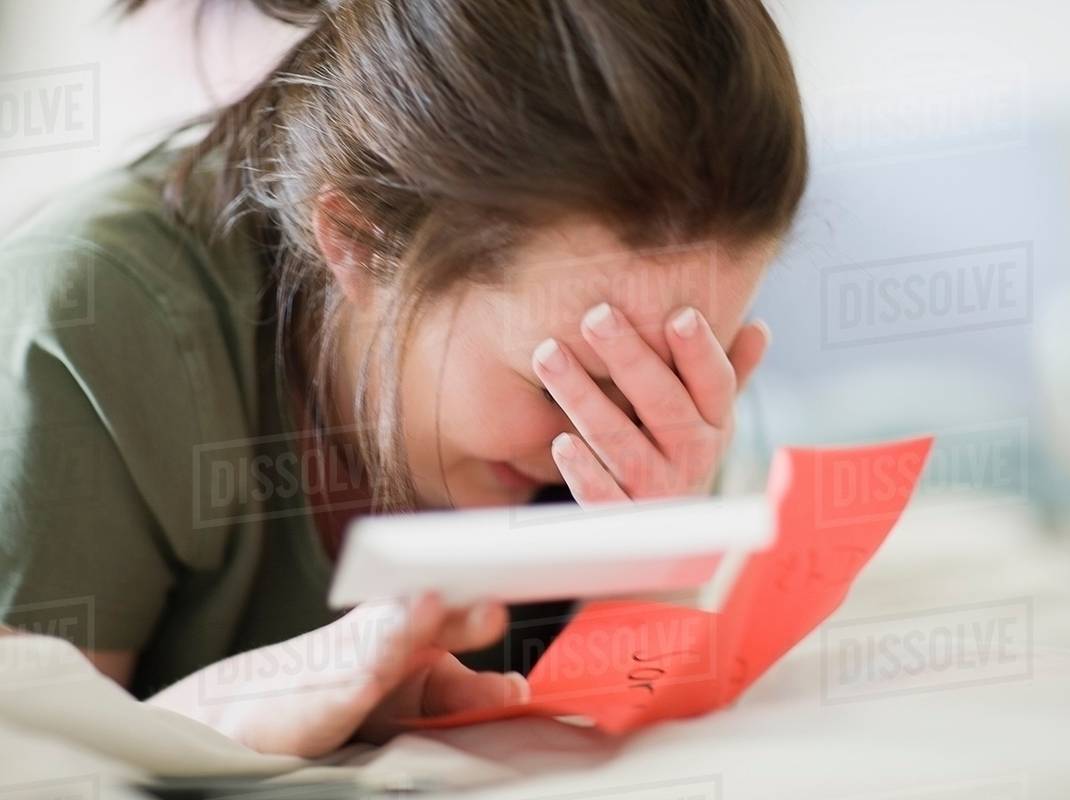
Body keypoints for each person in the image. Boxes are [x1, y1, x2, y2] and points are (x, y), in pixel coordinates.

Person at [0, 0, 807, 756]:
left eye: (672, 375)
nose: (610, 439)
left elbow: (618, 745)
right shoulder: (96, 325)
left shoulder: (664, 429)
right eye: (560, 383)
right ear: (358, 242)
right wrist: (246, 708)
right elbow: (39, 762)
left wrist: (653, 563)